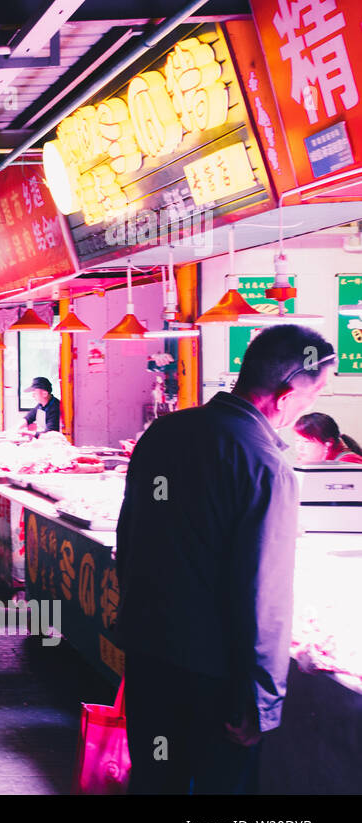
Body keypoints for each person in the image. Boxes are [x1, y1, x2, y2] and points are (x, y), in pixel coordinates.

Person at [116, 325, 336, 795]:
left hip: (150, 655)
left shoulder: (165, 431)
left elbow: (128, 537)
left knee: (156, 779)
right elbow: (264, 593)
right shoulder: (264, 464)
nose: (312, 406)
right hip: (215, 677)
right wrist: (262, 698)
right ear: (284, 394)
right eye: (315, 393)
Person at [293, 412, 362, 464]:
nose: (300, 447)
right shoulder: (307, 460)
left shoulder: (349, 463)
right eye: (297, 440)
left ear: (329, 443)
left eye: (306, 441)